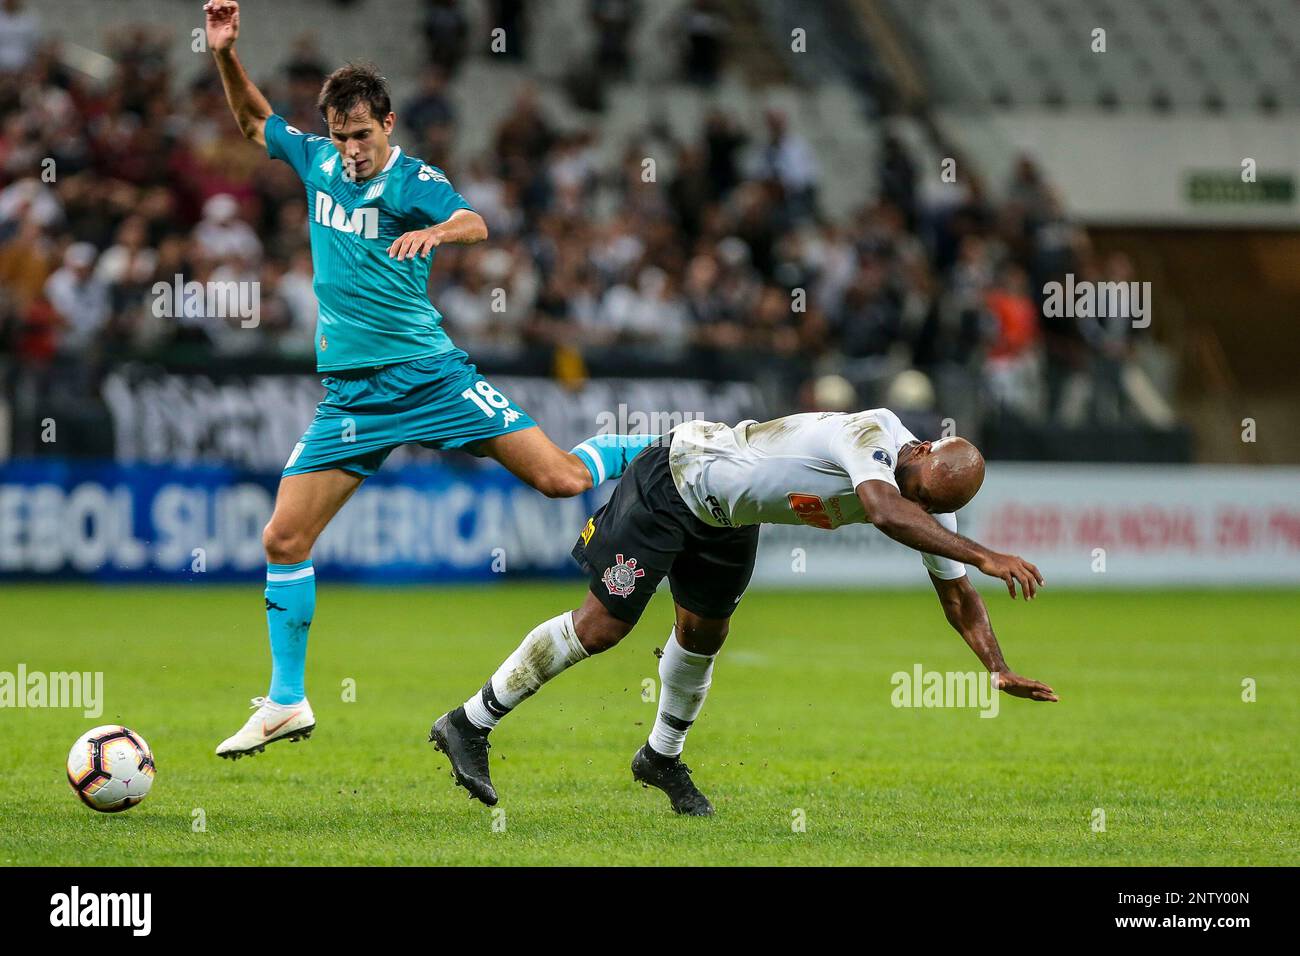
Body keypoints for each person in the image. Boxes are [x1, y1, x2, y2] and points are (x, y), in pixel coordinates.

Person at [202, 1, 654, 758]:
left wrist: (435, 230)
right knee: (283, 536)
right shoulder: (316, 160)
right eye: (341, 136)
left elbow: (476, 221)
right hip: (352, 398)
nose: (350, 150)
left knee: (563, 479)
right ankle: (287, 701)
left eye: (362, 135)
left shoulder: (414, 178)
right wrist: (224, 53)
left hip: (430, 377)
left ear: (388, 121)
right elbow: (255, 122)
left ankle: (643, 445)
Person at [432, 408, 1057, 814]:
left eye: (929, 504)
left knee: (703, 634)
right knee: (603, 627)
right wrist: (984, 553)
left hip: (730, 520)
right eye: (918, 491)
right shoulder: (871, 434)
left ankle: (659, 758)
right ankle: (469, 721)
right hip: (678, 477)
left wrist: (995, 667)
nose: (918, 505)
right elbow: (887, 510)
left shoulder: (927, 497)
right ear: (920, 451)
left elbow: (956, 597)